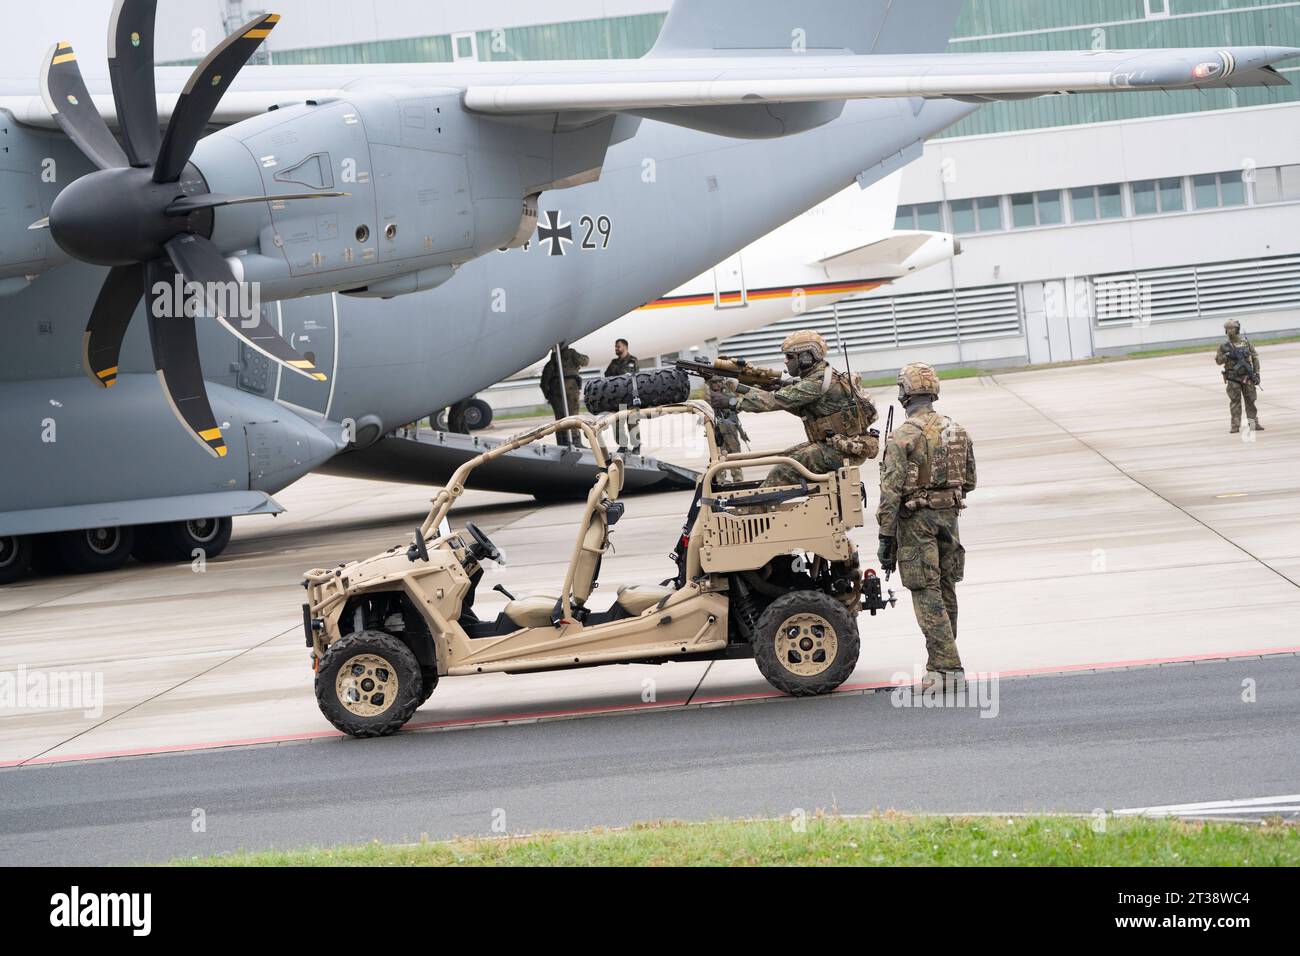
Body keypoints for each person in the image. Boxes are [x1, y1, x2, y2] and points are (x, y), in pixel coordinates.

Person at [876, 363, 976, 693]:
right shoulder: (957, 429)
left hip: (916, 524)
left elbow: (890, 494)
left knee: (925, 591)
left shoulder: (902, 437)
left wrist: (885, 538)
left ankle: (947, 668)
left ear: (904, 394)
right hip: (950, 519)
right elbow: (970, 481)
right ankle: (942, 664)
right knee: (946, 588)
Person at [732, 330, 878, 488]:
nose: (785, 361)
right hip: (836, 446)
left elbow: (777, 401)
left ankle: (755, 508)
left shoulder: (818, 381)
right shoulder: (823, 373)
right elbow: (794, 405)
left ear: (805, 357)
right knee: (784, 457)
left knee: (784, 469)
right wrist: (746, 388)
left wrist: (733, 402)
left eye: (789, 356)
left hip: (840, 450)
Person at [1215, 320, 1264, 434]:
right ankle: (1235, 426)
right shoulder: (1224, 346)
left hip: (1247, 377)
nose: (1230, 331)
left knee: (1251, 400)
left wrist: (1257, 373)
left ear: (1237, 329)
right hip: (1233, 378)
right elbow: (1218, 361)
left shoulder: (1246, 343)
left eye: (1232, 328)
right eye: (1228, 328)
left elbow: (1255, 358)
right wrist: (1226, 356)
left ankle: (1253, 424)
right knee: (1235, 402)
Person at [541, 345, 589, 447]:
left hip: (556, 395)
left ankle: (563, 443)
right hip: (571, 392)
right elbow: (585, 361)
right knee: (573, 417)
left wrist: (549, 396)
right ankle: (575, 442)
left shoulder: (551, 364)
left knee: (560, 420)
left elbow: (544, 383)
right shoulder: (572, 356)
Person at [604, 339, 642, 454]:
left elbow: (636, 378)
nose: (616, 349)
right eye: (615, 347)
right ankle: (622, 446)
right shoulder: (613, 362)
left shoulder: (633, 361)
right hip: (617, 398)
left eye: (618, 347)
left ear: (625, 347)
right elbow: (607, 376)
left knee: (632, 422)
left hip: (630, 398)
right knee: (617, 424)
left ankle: (636, 446)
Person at [707, 378, 748, 482]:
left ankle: (737, 476)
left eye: (719, 382)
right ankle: (720, 477)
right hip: (716, 428)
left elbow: (737, 407)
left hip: (730, 428)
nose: (718, 384)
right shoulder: (708, 396)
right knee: (718, 454)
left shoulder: (728, 394)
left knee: (734, 452)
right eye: (714, 382)